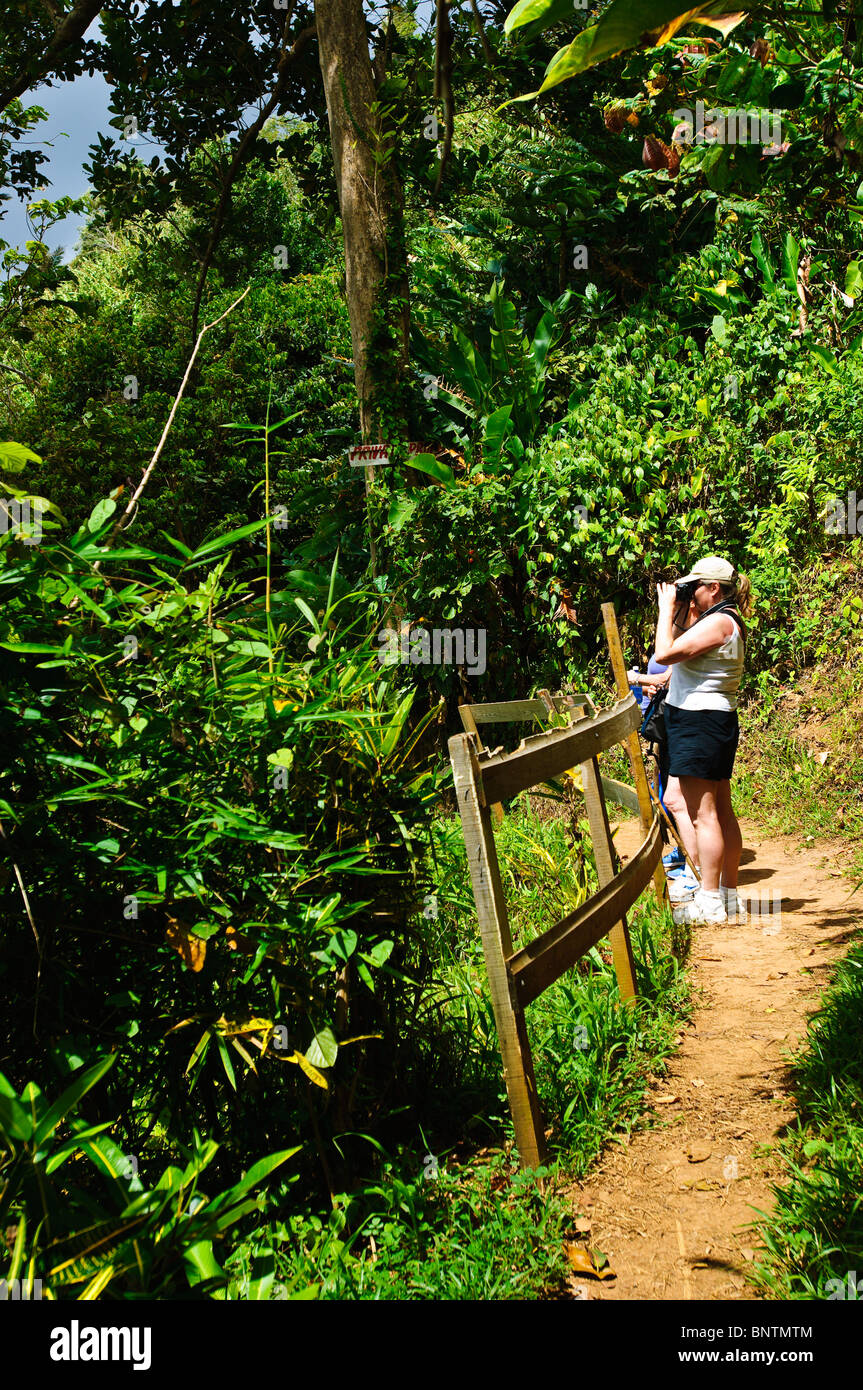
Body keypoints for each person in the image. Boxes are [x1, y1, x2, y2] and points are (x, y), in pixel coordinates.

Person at [653, 556, 752, 926]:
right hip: (711, 722)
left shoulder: (720, 624)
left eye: (695, 586)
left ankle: (710, 900)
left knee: (704, 814)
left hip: (699, 723)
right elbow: (681, 644)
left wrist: (666, 610)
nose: (689, 592)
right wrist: (681, 607)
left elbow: (664, 653)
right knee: (720, 811)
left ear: (714, 588)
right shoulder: (722, 619)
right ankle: (727, 896)